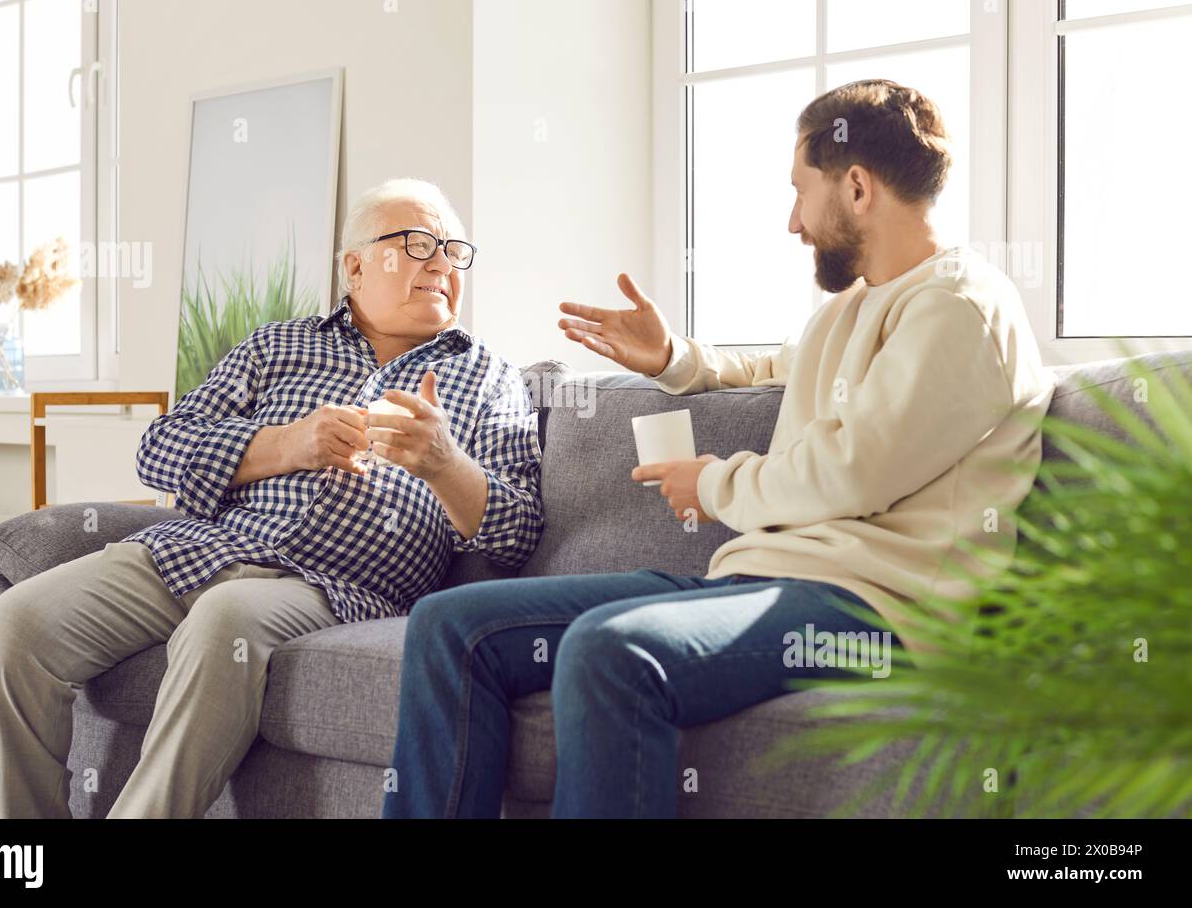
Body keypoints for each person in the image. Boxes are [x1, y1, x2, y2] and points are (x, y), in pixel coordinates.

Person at [382, 80, 1057, 818]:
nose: (794, 221)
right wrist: (672, 354)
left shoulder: (963, 307)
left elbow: (852, 468)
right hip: (761, 580)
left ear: (857, 187)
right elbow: (768, 371)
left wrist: (714, 484)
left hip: (881, 610)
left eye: (802, 191)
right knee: (452, 626)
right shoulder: (850, 309)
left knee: (613, 649)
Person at [0, 178, 543, 818]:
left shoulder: (490, 377)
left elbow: (518, 532)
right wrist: (286, 444)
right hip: (196, 550)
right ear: (355, 266)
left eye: (454, 249)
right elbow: (159, 449)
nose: (442, 263)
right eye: (416, 245)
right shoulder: (277, 346)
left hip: (337, 586)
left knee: (226, 618)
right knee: (13, 628)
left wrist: (445, 466)